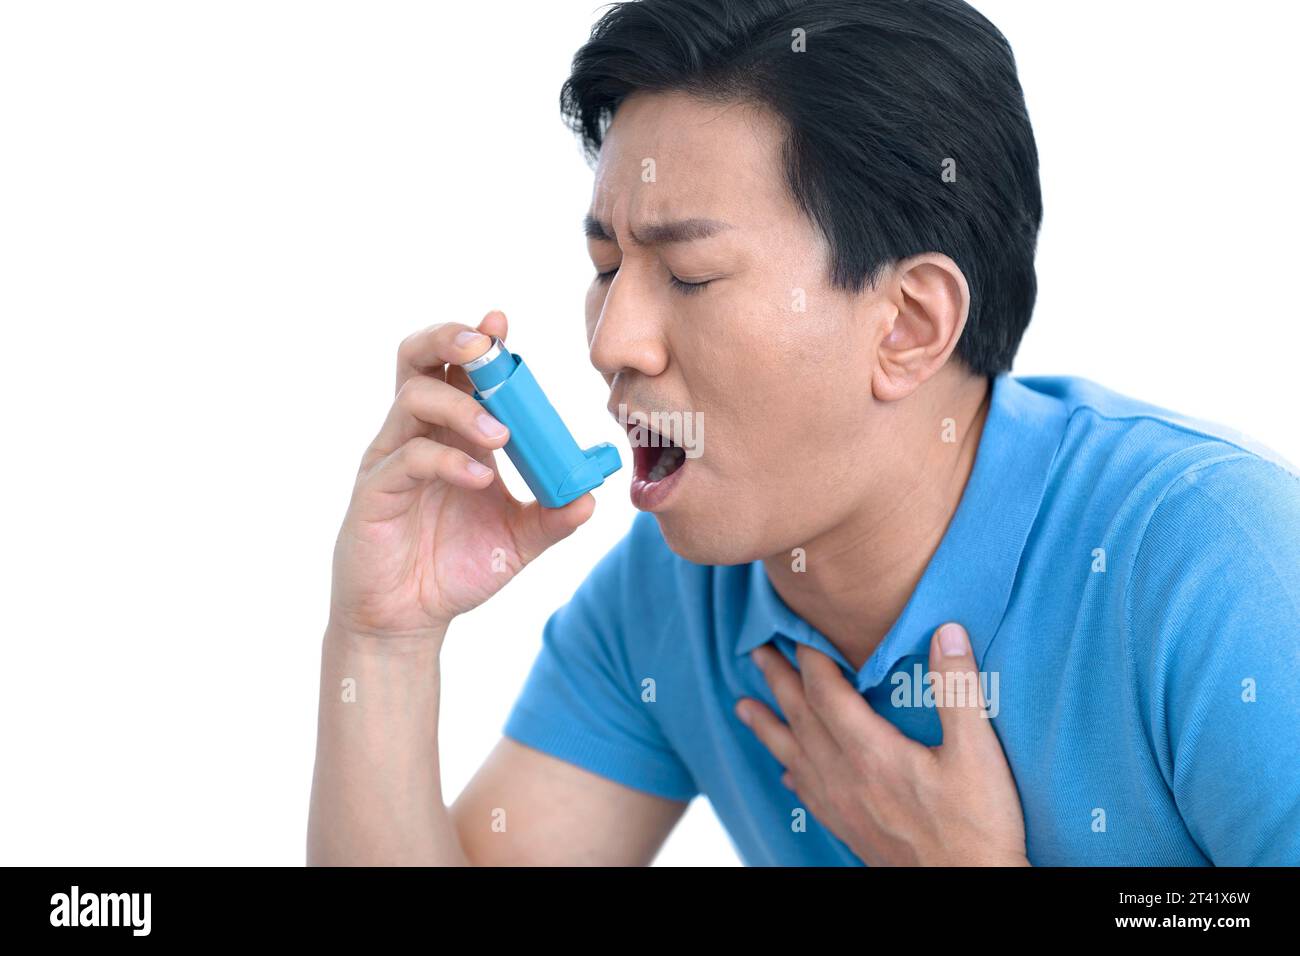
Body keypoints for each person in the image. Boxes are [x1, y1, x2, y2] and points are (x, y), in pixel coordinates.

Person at [306, 0, 1300, 866]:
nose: (613, 341)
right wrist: (385, 638)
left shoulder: (1219, 566)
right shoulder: (670, 597)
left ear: (908, 324)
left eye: (689, 275)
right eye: (606, 266)